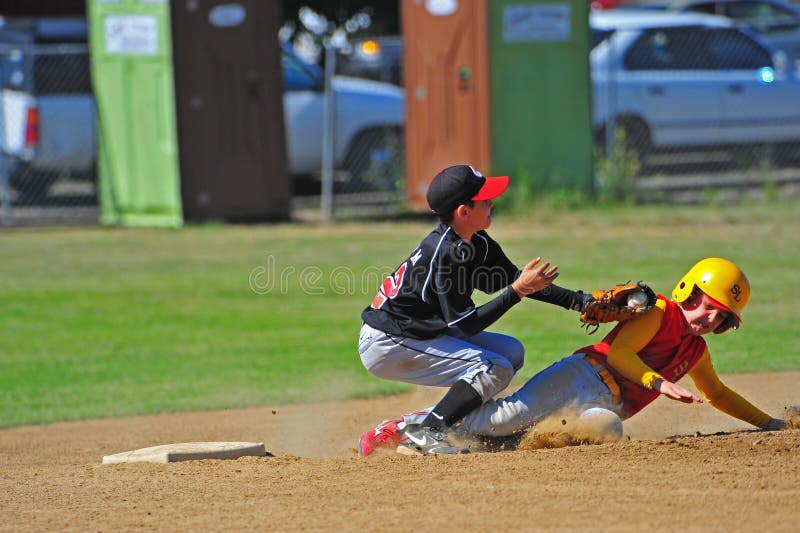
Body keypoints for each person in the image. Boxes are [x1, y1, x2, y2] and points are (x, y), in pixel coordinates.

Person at [363, 257, 786, 455]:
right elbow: (620, 354)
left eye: (721, 316)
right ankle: (408, 427)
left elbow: (717, 393)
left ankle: (468, 445)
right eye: (706, 304)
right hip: (582, 377)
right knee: (504, 417)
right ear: (688, 292)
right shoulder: (659, 311)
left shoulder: (696, 349)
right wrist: (658, 383)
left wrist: (768, 423)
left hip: (604, 404)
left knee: (603, 430)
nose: (709, 317)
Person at [358, 164, 597, 456]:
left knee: (511, 353)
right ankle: (428, 432)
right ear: (463, 212)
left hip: (417, 332)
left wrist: (581, 301)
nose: (492, 202)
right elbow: (467, 324)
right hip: (389, 342)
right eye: (485, 200)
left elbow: (517, 279)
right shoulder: (446, 254)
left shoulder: (477, 242)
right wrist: (517, 291)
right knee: (493, 367)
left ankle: (423, 425)